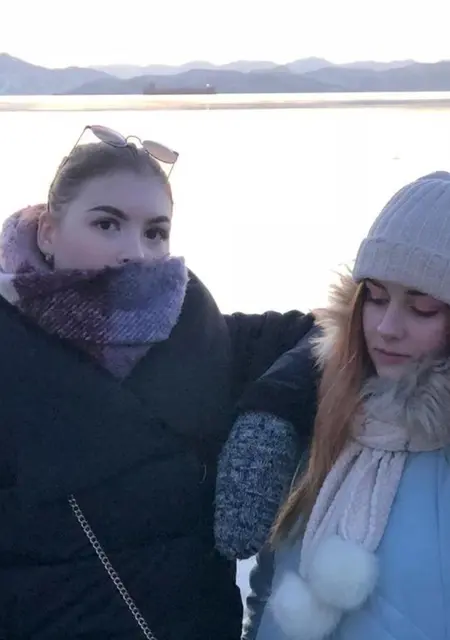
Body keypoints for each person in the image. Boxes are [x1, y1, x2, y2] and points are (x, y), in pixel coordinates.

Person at [0, 124, 318, 640]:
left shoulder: (203, 335)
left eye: (155, 232)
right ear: (48, 232)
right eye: (107, 224)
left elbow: (333, 334)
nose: (136, 252)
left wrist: (269, 414)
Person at [216, 171, 450, 640]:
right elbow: (270, 588)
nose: (386, 327)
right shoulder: (329, 418)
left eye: (422, 308)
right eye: (376, 298)